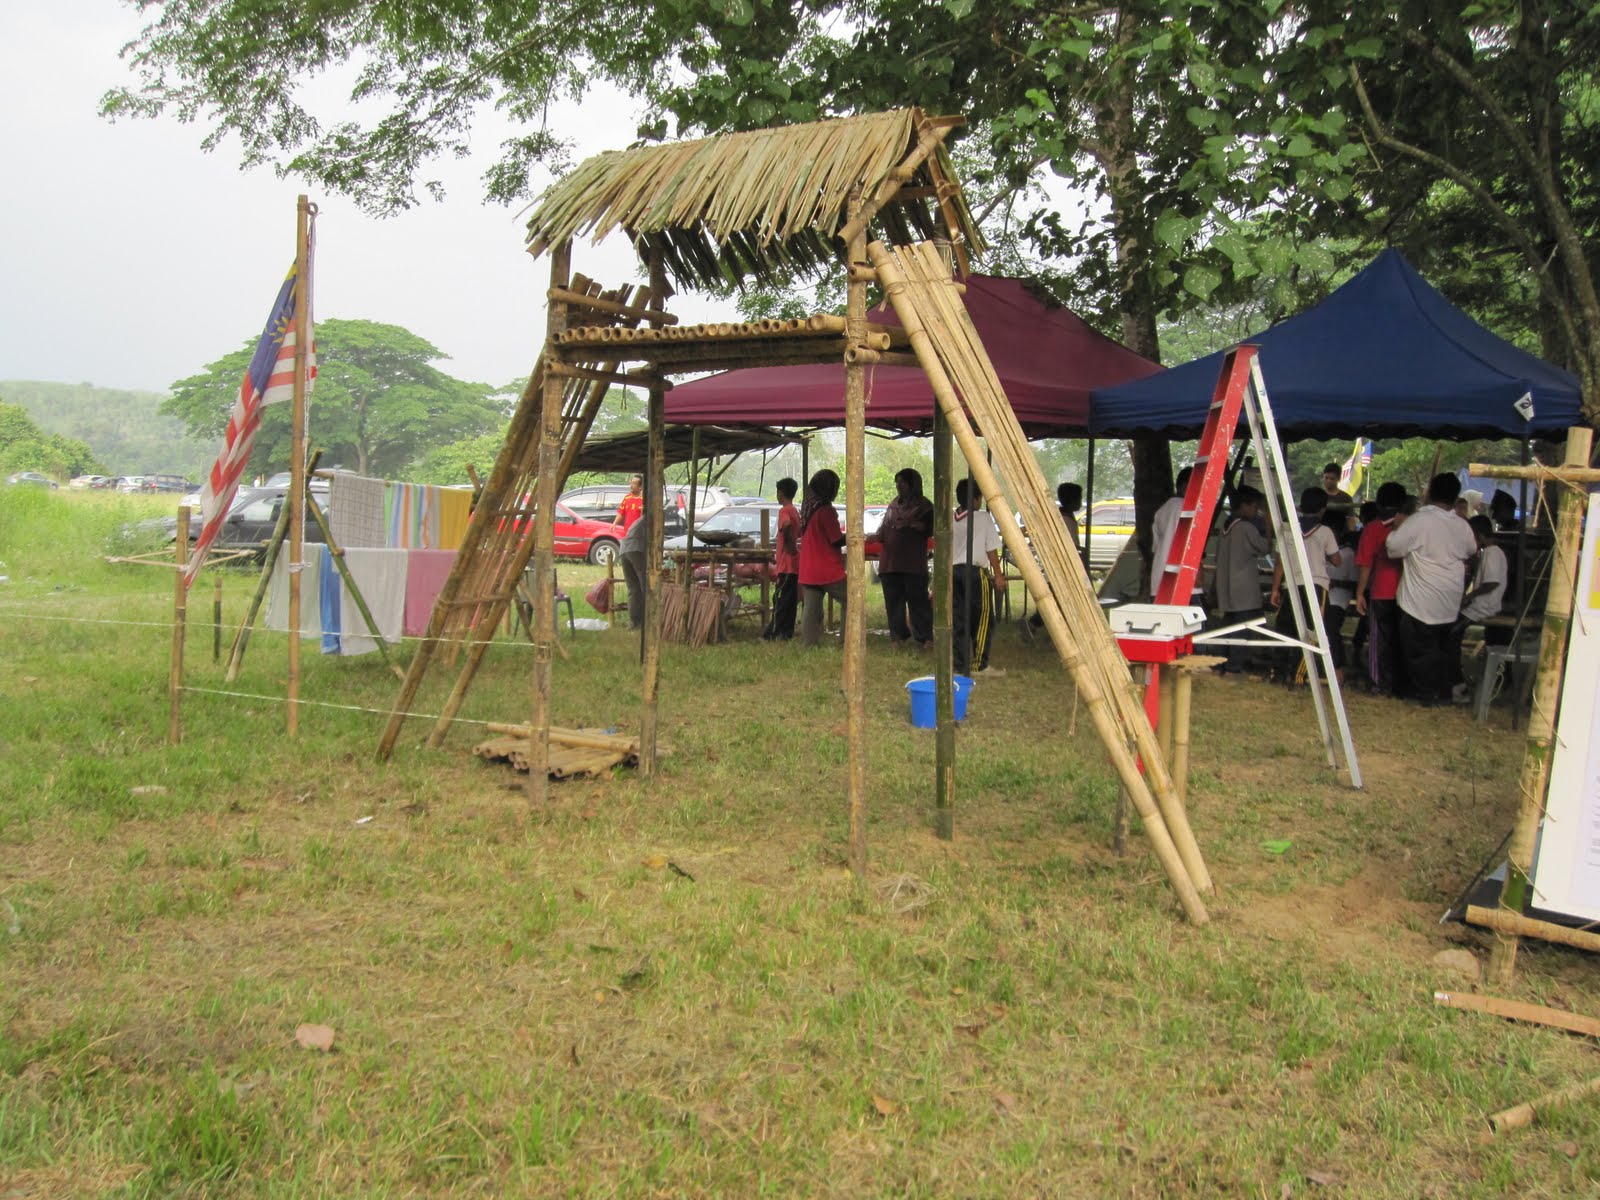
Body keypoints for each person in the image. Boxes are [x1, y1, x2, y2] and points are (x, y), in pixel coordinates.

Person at [1385, 472, 1478, 706]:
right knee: (1441, 649)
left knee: (1418, 650)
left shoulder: (1418, 521)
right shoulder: (1462, 525)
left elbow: (1393, 548)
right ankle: (1442, 692)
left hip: (1419, 599)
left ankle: (1426, 694)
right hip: (1449, 598)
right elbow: (1470, 550)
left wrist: (1398, 527)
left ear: (1429, 492)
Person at [1268, 488, 1343, 683]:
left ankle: (1278, 672)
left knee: (1286, 628)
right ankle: (1297, 675)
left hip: (1290, 585)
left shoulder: (1287, 530)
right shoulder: (1325, 532)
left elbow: (1279, 563)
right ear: (1322, 509)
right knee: (1311, 631)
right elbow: (1337, 561)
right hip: (1316, 586)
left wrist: (1275, 588)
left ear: (1301, 506)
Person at [1354, 482, 1409, 697]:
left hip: (1382, 592)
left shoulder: (1373, 528)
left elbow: (1366, 564)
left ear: (1378, 503)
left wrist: (1360, 592)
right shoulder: (1410, 526)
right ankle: (1400, 683)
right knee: (1401, 639)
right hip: (1407, 591)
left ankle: (1381, 684)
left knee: (1381, 641)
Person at [1213, 486, 1272, 675]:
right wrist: (1269, 527)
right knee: (1242, 628)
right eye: (1255, 507)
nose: (1256, 511)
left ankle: (1218, 663)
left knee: (1227, 626)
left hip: (1227, 584)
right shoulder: (1246, 527)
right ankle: (1234, 667)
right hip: (1243, 587)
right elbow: (1265, 548)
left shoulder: (1225, 527)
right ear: (1244, 506)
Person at [1451, 513, 1509, 702]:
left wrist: (1469, 597)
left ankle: (1458, 682)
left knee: (1451, 633)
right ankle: (1458, 681)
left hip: (1483, 606)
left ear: (1479, 535)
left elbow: (1491, 583)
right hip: (1483, 604)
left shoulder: (1492, 553)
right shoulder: (1492, 552)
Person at [874, 467, 935, 647]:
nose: (898, 486)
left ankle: (925, 638)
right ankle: (898, 637)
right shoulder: (893, 505)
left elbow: (932, 529)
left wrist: (917, 525)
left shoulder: (925, 507)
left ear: (912, 484)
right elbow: (884, 528)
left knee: (918, 601)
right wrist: (875, 536)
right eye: (897, 483)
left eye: (902, 483)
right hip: (890, 562)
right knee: (893, 602)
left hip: (913, 563)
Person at [953, 478, 1005, 677]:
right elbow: (991, 550)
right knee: (983, 619)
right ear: (975, 500)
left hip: (954, 573)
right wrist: (998, 575)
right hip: (974, 574)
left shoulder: (951, 517)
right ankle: (979, 666)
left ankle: (960, 664)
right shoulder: (982, 518)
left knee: (959, 619)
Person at [798, 469, 846, 647]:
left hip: (808, 569)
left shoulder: (808, 507)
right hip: (827, 569)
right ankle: (846, 641)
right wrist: (853, 536)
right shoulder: (825, 510)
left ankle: (809, 645)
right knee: (851, 600)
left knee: (810, 610)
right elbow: (835, 539)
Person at [761, 477, 801, 641]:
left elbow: (786, 526)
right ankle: (786, 633)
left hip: (786, 565)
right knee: (790, 600)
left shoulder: (784, 510)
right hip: (794, 565)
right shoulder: (794, 510)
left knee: (779, 600)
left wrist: (788, 544)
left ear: (781, 493)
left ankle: (773, 633)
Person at [1149, 466, 1192, 599]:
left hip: (1160, 577)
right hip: (1181, 580)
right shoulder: (1185, 509)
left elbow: (1156, 547)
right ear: (1186, 486)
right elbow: (1189, 545)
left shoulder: (1163, 509)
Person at [616, 494, 650, 632]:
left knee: (633, 589)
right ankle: (648, 620)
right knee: (645, 586)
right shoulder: (650, 520)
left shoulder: (640, 520)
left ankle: (634, 622)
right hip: (635, 550)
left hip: (624, 550)